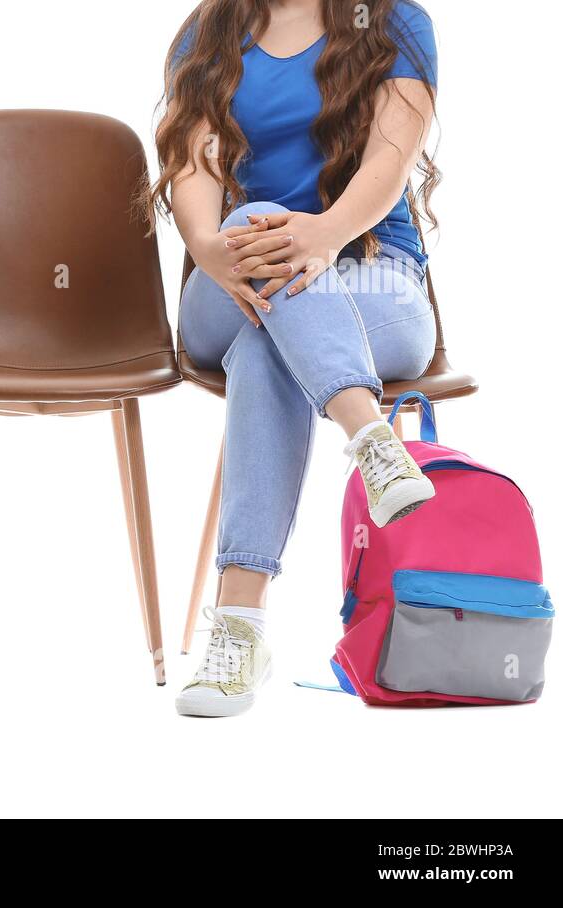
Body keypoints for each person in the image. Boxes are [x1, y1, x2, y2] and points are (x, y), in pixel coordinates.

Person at [148, 0, 440, 716]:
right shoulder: (209, 29)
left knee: (269, 347)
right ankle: (370, 436)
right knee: (253, 227)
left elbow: (391, 159)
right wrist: (211, 246)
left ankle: (238, 629)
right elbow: (194, 170)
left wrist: (326, 235)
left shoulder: (398, 20)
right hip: (230, 278)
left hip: (372, 275)